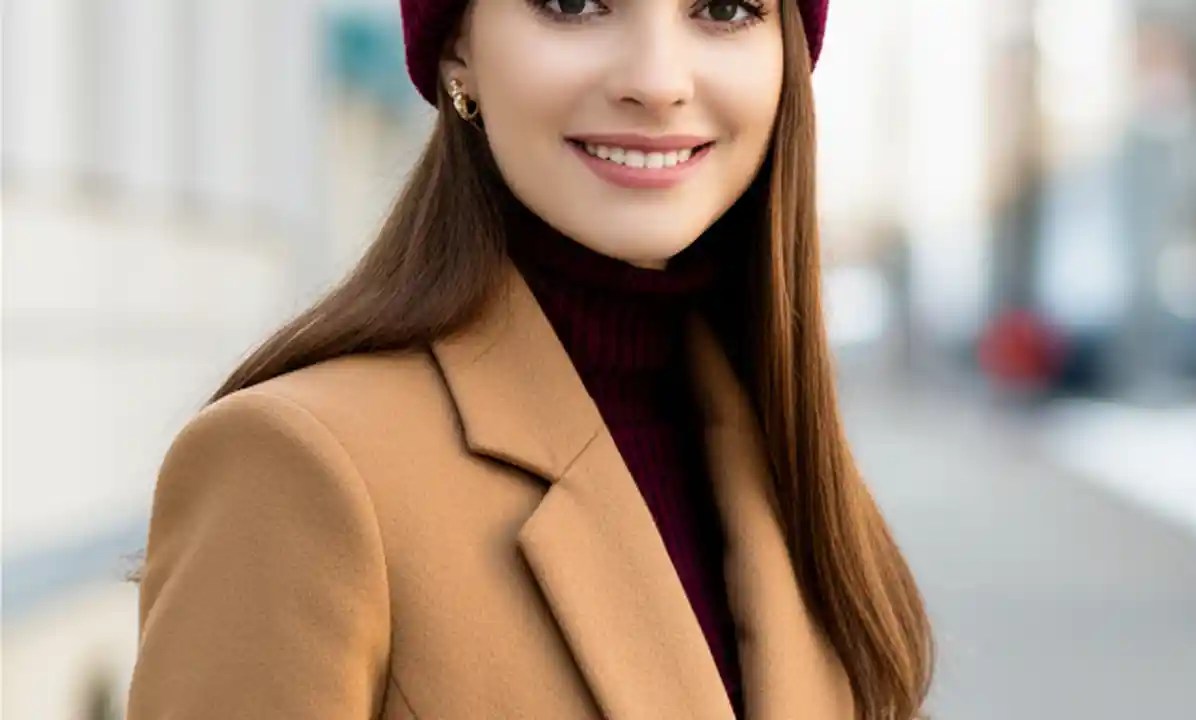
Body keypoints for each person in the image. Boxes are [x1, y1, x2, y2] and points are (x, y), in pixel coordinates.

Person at [125, 1, 933, 718]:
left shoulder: (782, 455)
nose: (656, 81)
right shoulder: (297, 468)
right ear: (457, 51)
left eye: (723, 8)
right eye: (574, 3)